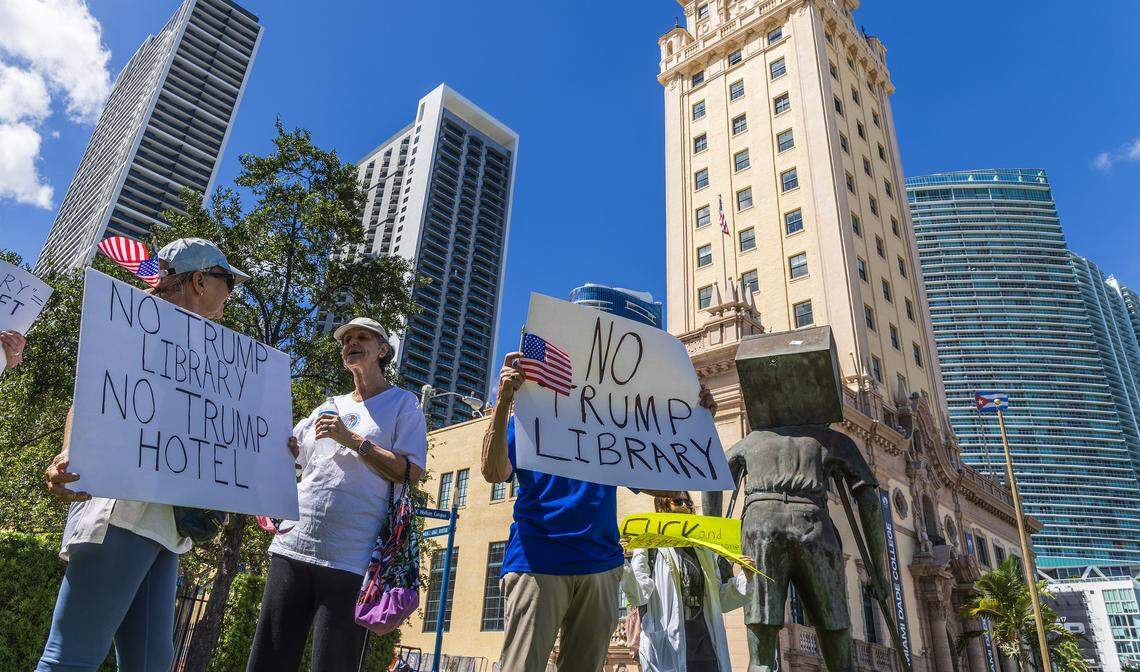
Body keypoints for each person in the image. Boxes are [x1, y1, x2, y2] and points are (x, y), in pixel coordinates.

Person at [38, 238, 249, 672]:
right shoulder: (135, 325)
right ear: (198, 280)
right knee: (71, 659)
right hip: (121, 512)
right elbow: (90, 394)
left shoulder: (212, 354)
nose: (231, 293)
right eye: (227, 281)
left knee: (150, 664)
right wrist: (67, 453)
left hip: (167, 526)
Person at [481, 291, 718, 672]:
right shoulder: (528, 417)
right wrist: (503, 400)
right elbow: (494, 472)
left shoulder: (613, 422)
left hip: (601, 566)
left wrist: (696, 422)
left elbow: (671, 487)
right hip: (538, 560)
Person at [246, 316, 428, 672]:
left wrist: (353, 440)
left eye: (362, 337)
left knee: (334, 664)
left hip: (351, 559)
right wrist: (281, 448)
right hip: (293, 546)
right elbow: (292, 460)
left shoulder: (403, 405)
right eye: (346, 340)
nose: (351, 343)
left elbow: (411, 474)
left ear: (383, 350)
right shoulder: (326, 406)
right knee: (269, 657)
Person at [621, 493, 751, 672]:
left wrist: (746, 577)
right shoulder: (648, 546)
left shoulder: (703, 549)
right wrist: (622, 563)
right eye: (678, 501)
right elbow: (638, 595)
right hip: (669, 649)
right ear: (662, 507)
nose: (686, 506)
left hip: (707, 652)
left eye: (688, 502)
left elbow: (719, 598)